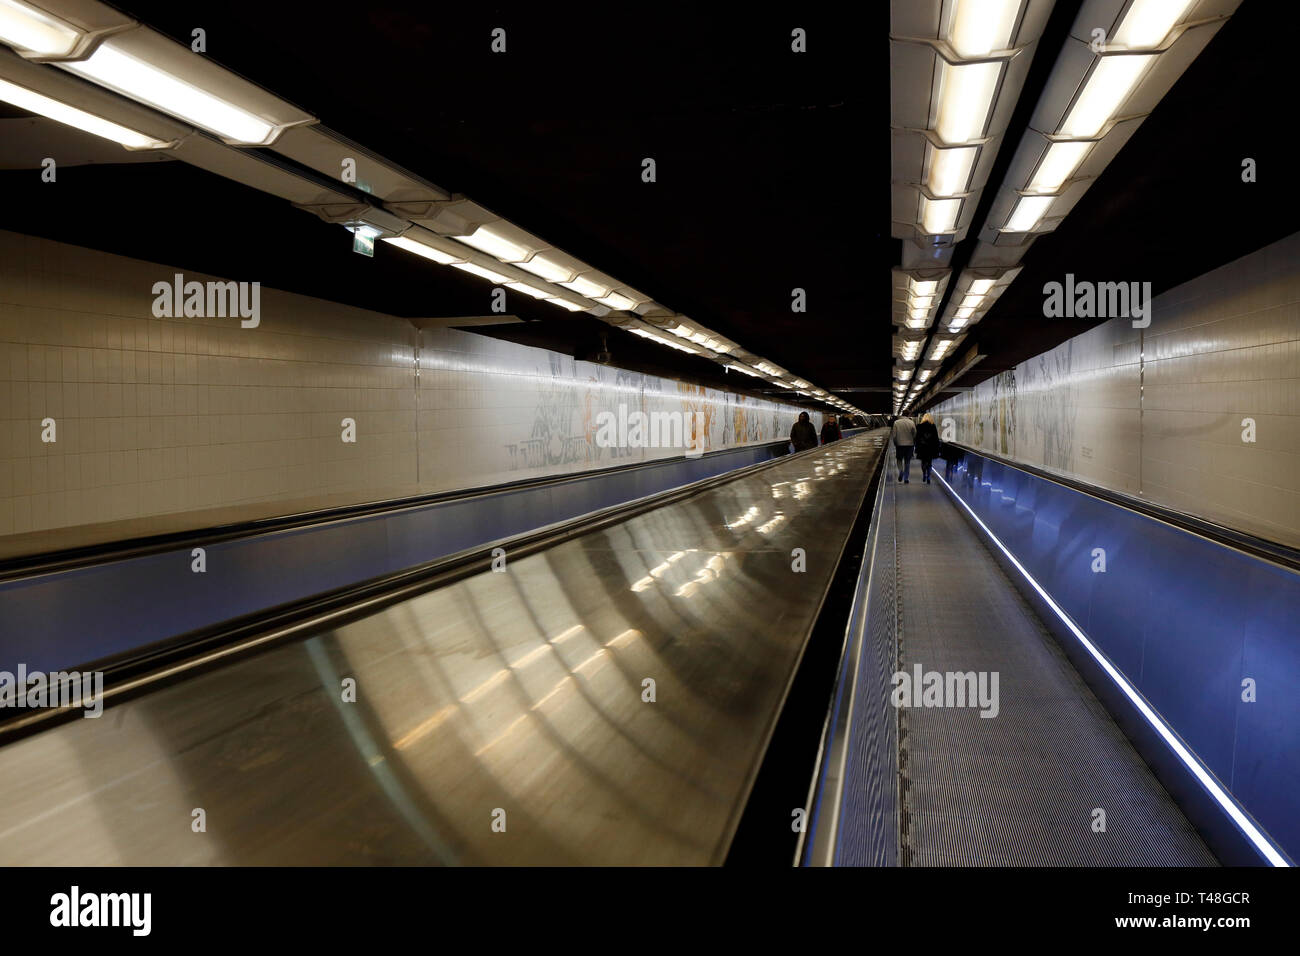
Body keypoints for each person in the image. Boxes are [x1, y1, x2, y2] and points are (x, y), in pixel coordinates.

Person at [914, 413, 940, 484]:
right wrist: (937, 448)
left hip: (922, 448)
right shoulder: (933, 426)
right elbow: (936, 438)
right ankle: (928, 476)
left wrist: (917, 447)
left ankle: (924, 474)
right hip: (931, 448)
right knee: (929, 463)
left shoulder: (919, 426)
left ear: (923, 418)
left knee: (923, 462)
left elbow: (917, 438)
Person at [891, 413, 916, 483]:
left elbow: (894, 435)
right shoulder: (911, 422)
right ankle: (906, 478)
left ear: (902, 414)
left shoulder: (896, 422)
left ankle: (901, 471)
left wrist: (895, 443)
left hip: (900, 445)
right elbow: (914, 433)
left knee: (899, 460)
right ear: (908, 415)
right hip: (909, 445)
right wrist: (912, 440)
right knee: (907, 462)